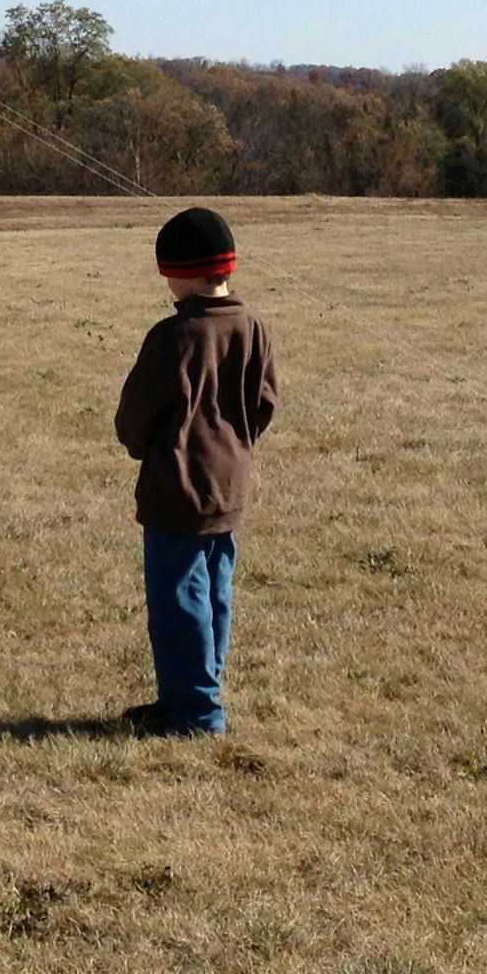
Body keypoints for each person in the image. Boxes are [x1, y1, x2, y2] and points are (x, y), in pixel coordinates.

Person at [114, 206, 278, 736]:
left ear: (180, 272)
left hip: (176, 492)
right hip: (229, 489)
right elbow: (266, 402)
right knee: (213, 595)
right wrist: (237, 445)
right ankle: (196, 692)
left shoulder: (172, 337)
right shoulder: (253, 326)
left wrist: (144, 446)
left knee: (179, 602)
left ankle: (195, 712)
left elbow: (135, 417)